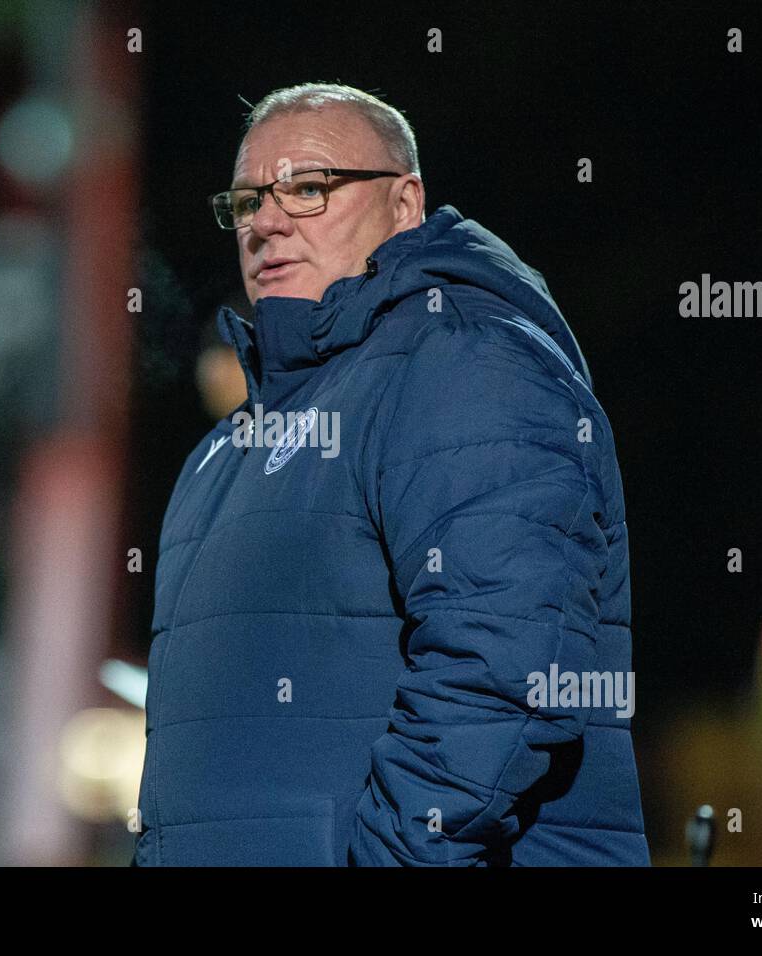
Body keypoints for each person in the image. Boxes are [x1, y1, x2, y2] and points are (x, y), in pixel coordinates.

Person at [132, 83, 649, 866]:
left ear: (405, 203)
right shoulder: (226, 449)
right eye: (246, 202)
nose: (267, 222)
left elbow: (506, 670)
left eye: (309, 189)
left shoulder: (465, 359)